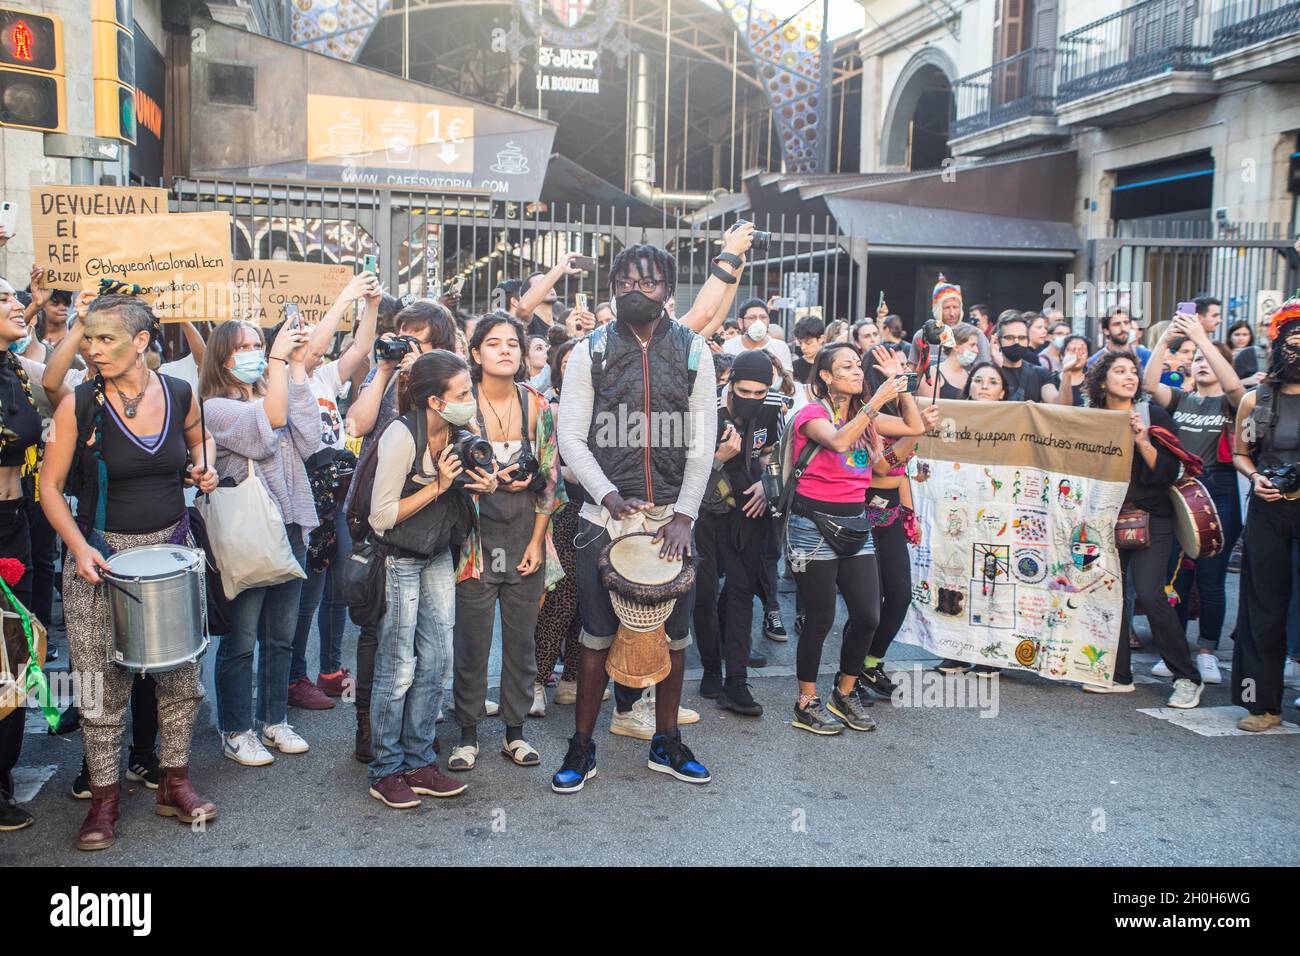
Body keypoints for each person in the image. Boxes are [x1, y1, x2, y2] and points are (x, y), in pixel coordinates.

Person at [39, 295, 219, 850]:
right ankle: (103, 801)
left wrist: (204, 467)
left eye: (104, 339)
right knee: (99, 685)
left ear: (141, 341)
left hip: (170, 549)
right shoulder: (80, 403)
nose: (91, 349)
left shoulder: (180, 393)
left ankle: (174, 782)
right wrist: (79, 549)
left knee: (181, 681)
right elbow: (48, 487)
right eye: (86, 338)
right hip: (100, 556)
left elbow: (200, 439)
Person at [552, 243, 717, 793]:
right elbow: (570, 438)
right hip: (604, 519)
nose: (633, 290)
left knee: (674, 638)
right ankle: (582, 746)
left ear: (668, 289)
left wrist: (686, 516)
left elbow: (702, 442)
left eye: (646, 282)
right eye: (623, 281)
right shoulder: (588, 351)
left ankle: (666, 742)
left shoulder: (695, 351)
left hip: (674, 517)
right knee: (596, 637)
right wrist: (606, 495)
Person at [364, 350, 492, 808]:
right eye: (462, 394)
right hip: (399, 558)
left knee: (437, 660)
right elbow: (381, 518)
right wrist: (436, 485)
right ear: (436, 401)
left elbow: (474, 486)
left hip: (438, 552)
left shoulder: (461, 433)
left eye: (470, 391)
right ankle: (385, 768)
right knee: (398, 667)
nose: (470, 400)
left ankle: (419, 761)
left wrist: (485, 482)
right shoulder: (401, 435)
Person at [203, 319, 322, 764]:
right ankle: (236, 728)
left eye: (258, 344)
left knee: (281, 638)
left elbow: (309, 437)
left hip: (291, 526)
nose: (254, 352)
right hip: (249, 533)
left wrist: (296, 368)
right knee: (241, 639)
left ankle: (274, 719)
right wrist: (276, 360)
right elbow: (270, 424)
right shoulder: (214, 408)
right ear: (221, 358)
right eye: (245, 347)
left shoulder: (273, 390)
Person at [447, 313, 562, 772]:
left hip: (524, 537)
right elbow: (444, 471)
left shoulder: (538, 405)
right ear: (475, 354)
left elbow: (551, 480)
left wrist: (538, 541)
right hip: (473, 543)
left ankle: (515, 733)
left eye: (513, 343)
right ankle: (467, 734)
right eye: (493, 344)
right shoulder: (460, 407)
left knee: (521, 642)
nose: (505, 351)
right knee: (471, 642)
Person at [343, 300, 457, 760]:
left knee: (430, 639)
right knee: (379, 630)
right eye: (404, 335)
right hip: (384, 511)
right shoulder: (389, 376)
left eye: (421, 340)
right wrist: (388, 369)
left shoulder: (447, 387)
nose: (411, 345)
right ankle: (371, 730)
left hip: (432, 524)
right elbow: (359, 423)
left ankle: (419, 729)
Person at [786, 344, 904, 734]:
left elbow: (914, 430)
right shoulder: (811, 413)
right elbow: (836, 441)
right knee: (820, 618)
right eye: (846, 366)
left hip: (856, 524)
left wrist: (897, 391)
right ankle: (806, 702)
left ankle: (844, 691)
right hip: (811, 526)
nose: (857, 371)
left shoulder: (864, 418)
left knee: (868, 614)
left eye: (858, 365)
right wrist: (876, 404)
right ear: (825, 376)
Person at [1081, 352, 1203, 707]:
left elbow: (1169, 473)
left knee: (1150, 594)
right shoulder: (1090, 420)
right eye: (1119, 371)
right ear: (1102, 381)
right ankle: (1119, 675)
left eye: (1133, 372)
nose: (1129, 377)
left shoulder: (1155, 415)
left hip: (1152, 516)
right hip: (1105, 519)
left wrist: (1142, 441)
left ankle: (1186, 678)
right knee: (1110, 595)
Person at [287, 271, 381, 712]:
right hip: (303, 498)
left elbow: (360, 348)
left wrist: (372, 306)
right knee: (308, 591)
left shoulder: (324, 379)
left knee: (338, 586)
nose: (311, 346)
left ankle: (329, 669)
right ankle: (294, 677)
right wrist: (346, 295)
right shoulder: (288, 382)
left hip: (336, 497)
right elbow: (320, 345)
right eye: (300, 340)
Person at [1143, 315, 1245, 684]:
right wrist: (1165, 341)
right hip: (1178, 490)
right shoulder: (1181, 398)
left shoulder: (1233, 404)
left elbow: (1234, 387)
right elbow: (1149, 384)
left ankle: (1207, 652)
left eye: (1209, 358)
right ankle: (1179, 648)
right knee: (1176, 576)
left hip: (1218, 489)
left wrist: (1204, 340)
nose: (1202, 362)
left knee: (1211, 576)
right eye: (1197, 358)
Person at [694, 349, 784, 715]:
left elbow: (775, 453)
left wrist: (768, 483)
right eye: (743, 391)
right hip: (703, 509)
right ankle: (712, 668)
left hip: (750, 505)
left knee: (741, 590)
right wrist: (718, 459)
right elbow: (681, 472)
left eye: (758, 393)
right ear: (729, 382)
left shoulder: (773, 407)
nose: (750, 399)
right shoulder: (703, 408)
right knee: (702, 593)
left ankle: (736, 681)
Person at [1230, 294, 1300, 731]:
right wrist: (1256, 478)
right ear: (1277, 344)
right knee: (1263, 605)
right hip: (1268, 511)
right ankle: (1264, 705)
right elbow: (1240, 452)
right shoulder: (1256, 399)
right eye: (1292, 340)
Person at [0, 285, 48, 833]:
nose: (20, 306)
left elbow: (58, 384)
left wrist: (83, 323)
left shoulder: (16, 370)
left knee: (17, 654)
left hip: (19, 523)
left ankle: (3, 774)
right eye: (7, 302)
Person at [910, 276, 990, 367]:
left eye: (955, 307)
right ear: (937, 310)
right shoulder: (922, 335)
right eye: (947, 308)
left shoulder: (976, 334)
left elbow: (985, 369)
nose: (952, 313)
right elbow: (914, 372)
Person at [514, 253, 586, 336]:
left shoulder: (561, 327)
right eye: (541, 284)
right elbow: (524, 307)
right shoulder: (529, 322)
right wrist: (560, 267)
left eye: (550, 283)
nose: (549, 286)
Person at [993, 314, 1058, 402]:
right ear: (998, 341)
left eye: (1021, 338)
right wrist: (998, 366)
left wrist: (1067, 374)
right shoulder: (985, 372)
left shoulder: (1040, 374)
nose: (1016, 343)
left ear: (1028, 340)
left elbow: (1058, 404)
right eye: (1009, 337)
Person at [724, 298, 793, 371]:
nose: (758, 322)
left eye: (763, 317)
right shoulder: (728, 347)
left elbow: (787, 379)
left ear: (768, 320)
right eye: (752, 318)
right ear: (741, 322)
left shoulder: (780, 347)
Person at [920, 323, 981, 399]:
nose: (977, 350)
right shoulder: (933, 374)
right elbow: (927, 408)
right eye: (972, 345)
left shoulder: (970, 375)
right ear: (955, 347)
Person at [1229, 319, 1268, 388]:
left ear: (1250, 336)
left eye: (1245, 335)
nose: (1241, 338)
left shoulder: (1258, 354)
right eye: (1237, 334)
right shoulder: (1223, 354)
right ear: (1230, 336)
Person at [1055, 334, 1092, 406]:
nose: (1077, 354)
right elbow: (1062, 408)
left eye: (1082, 351)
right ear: (1062, 356)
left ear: (1088, 358)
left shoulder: (1093, 382)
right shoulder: (1051, 380)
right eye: (1072, 350)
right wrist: (1067, 370)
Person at [792, 315, 824, 385]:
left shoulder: (831, 362)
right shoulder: (795, 367)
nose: (803, 347)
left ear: (821, 339)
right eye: (800, 343)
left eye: (808, 343)